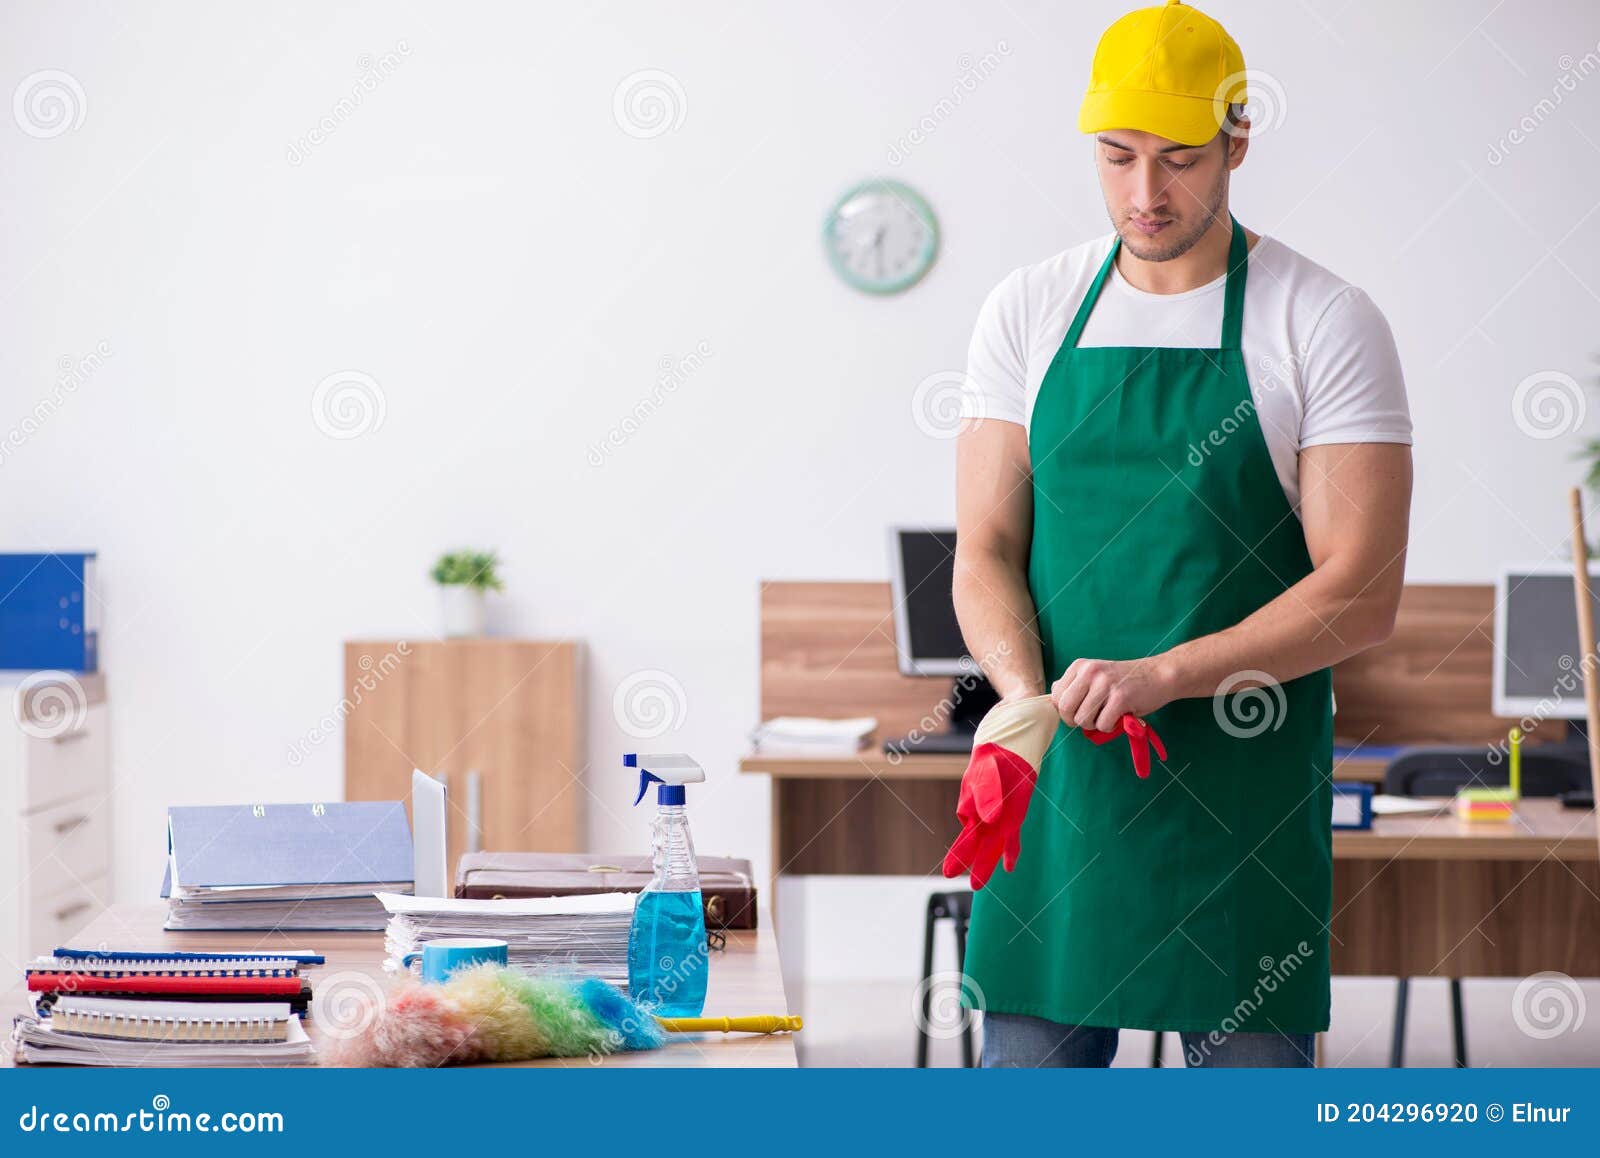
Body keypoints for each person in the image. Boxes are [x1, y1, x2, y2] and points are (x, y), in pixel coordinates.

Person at [951, 0, 1413, 1068]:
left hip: (1238, 803)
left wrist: (1162, 674)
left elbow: (1360, 591)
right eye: (1116, 158)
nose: (1144, 194)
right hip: (1061, 790)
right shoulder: (1027, 309)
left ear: (1238, 141)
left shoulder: (1320, 320)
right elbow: (982, 547)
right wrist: (1022, 695)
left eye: (1180, 159)